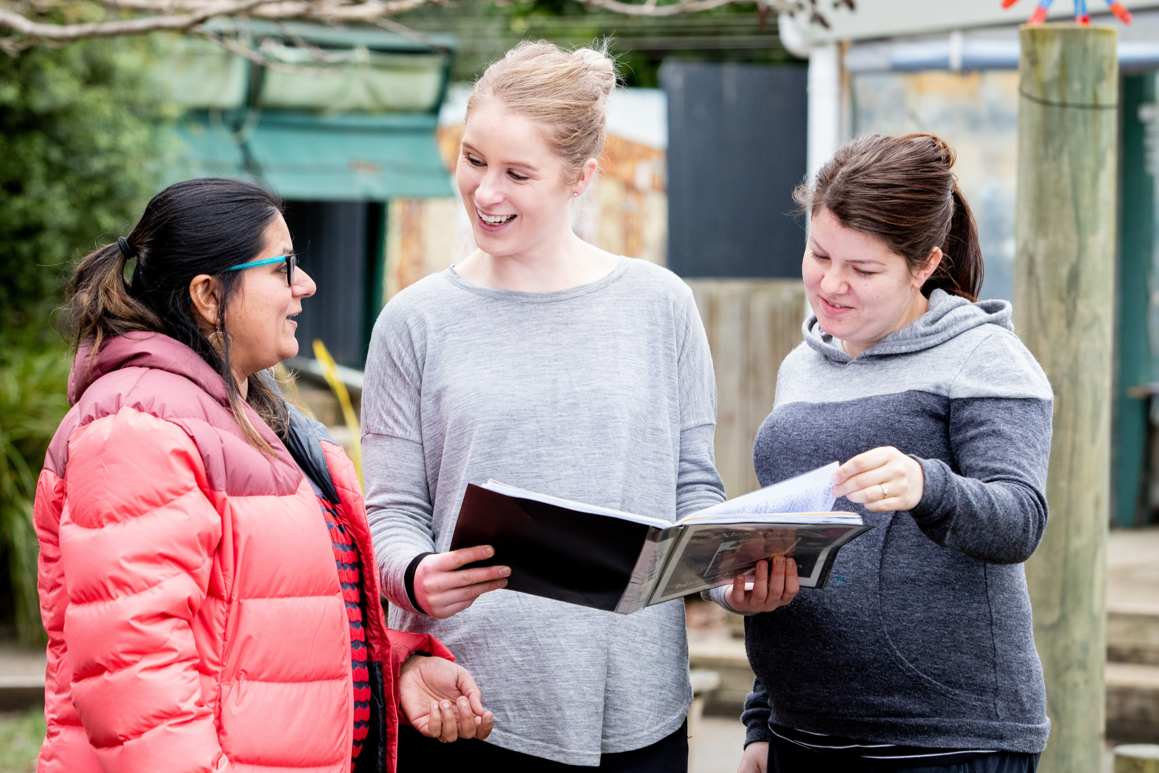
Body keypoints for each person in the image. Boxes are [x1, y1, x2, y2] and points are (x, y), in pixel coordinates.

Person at [361, 40, 797, 771]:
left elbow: (691, 489)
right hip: (467, 704)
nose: (484, 191)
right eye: (472, 159)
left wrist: (730, 576)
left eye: (516, 173)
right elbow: (390, 511)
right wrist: (414, 573)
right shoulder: (413, 321)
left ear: (581, 178)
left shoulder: (662, 306)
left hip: (637, 707)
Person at [34, 177, 493, 773]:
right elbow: (136, 681)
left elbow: (268, 619)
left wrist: (392, 669)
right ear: (207, 293)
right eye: (283, 268)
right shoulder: (137, 430)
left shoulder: (262, 421)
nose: (305, 285)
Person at [715, 133, 1053, 773]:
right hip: (800, 734)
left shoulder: (984, 357)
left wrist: (930, 485)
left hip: (944, 741)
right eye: (819, 255)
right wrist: (761, 720)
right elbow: (794, 545)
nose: (831, 284)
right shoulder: (802, 365)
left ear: (924, 265)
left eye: (864, 270)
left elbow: (1020, 520)